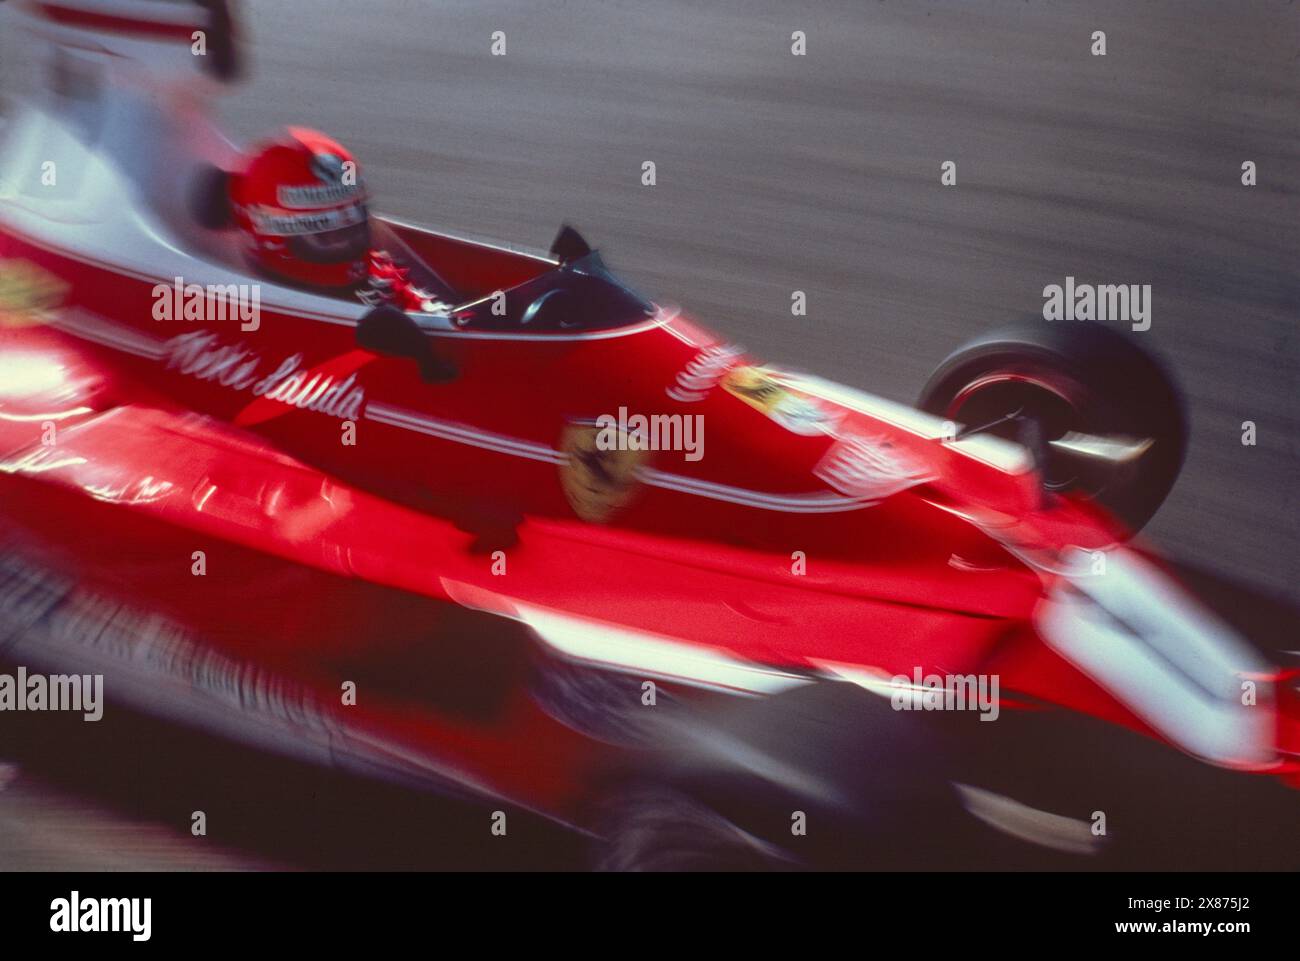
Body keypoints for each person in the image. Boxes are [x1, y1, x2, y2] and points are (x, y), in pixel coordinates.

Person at [230, 127, 447, 312]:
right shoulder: (232, 313)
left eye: (352, 226)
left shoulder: (382, 280)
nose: (347, 242)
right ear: (269, 235)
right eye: (325, 233)